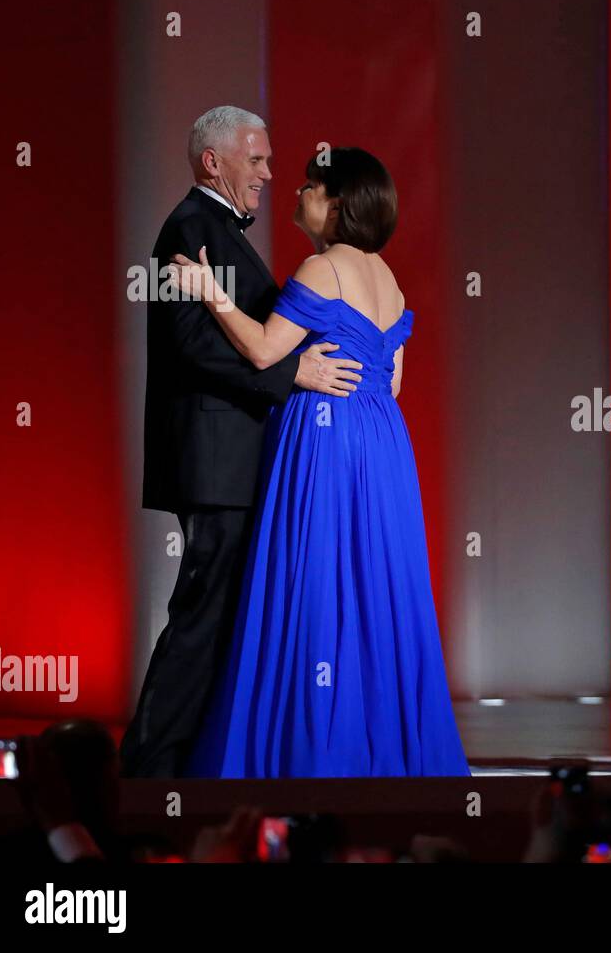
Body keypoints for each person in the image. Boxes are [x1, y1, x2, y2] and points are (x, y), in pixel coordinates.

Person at [176, 147, 470, 777]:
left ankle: (308, 750)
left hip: (326, 443)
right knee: (375, 589)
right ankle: (379, 752)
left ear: (335, 204)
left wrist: (210, 294)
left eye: (309, 186)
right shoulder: (386, 277)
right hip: (384, 445)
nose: (296, 193)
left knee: (316, 586)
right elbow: (390, 383)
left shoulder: (320, 269)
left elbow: (261, 353)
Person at [122, 106, 364, 778]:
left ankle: (185, 763)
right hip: (215, 464)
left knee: (217, 615)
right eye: (255, 160)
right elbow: (193, 345)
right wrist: (297, 372)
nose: (267, 173)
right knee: (203, 617)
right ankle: (147, 771)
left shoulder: (214, 229)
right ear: (213, 161)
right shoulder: (192, 227)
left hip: (231, 460)